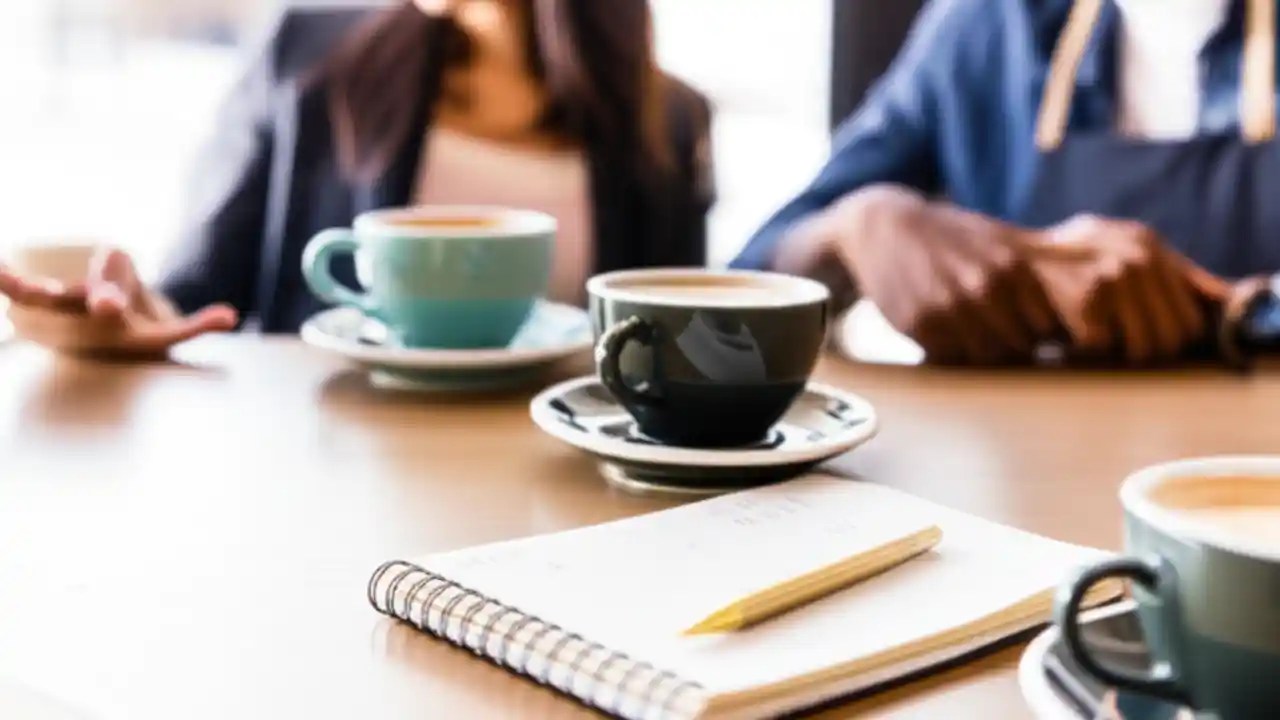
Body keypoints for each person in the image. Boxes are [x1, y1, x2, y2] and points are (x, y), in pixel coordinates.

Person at [1, 0, 714, 356]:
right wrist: (128, 317)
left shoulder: (668, 120)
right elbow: (199, 294)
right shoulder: (308, 59)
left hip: (560, 487)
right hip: (332, 458)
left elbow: (671, 344)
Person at [734, 0, 1276, 366]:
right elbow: (749, 281)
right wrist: (856, 227)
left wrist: (1240, 312)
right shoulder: (988, 27)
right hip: (1023, 488)